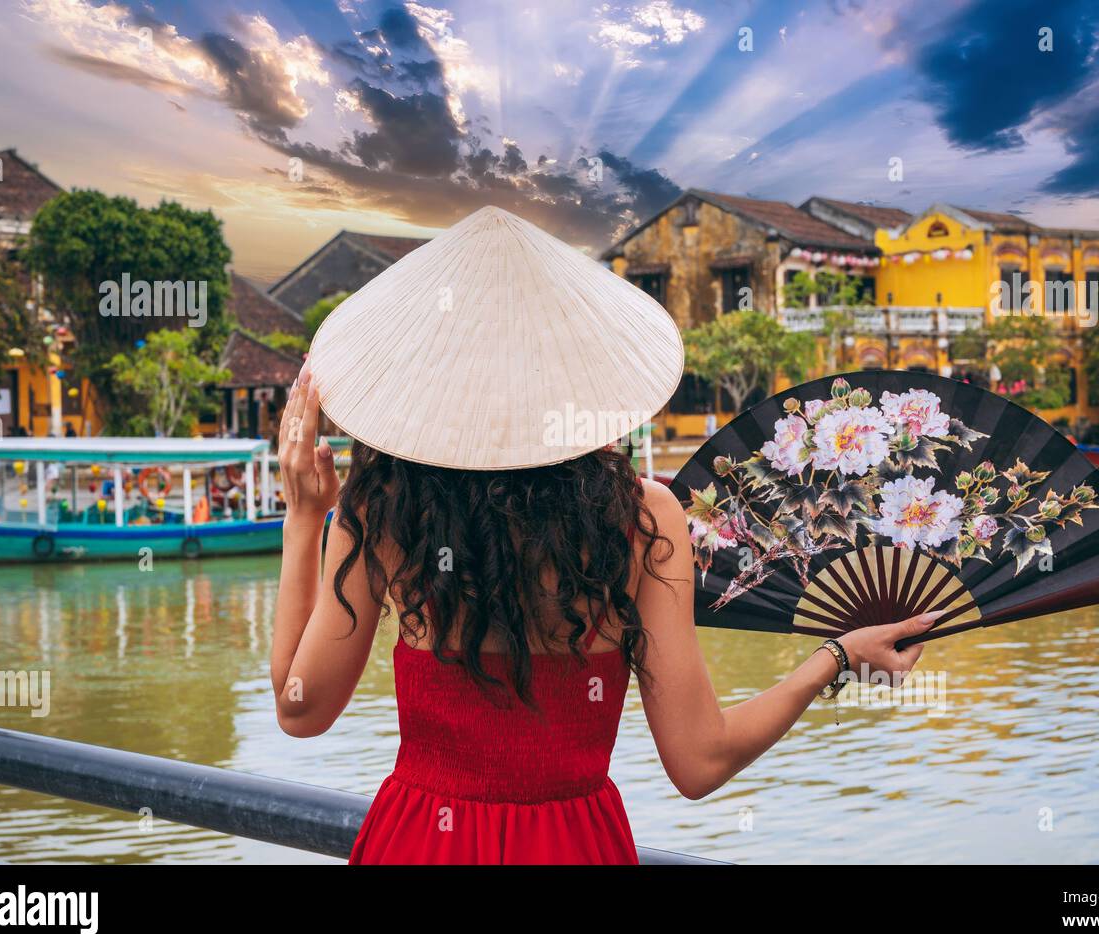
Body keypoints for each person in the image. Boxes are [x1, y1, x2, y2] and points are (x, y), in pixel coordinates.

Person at [271, 207, 931, 865]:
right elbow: (699, 760)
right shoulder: (642, 517)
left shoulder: (385, 510)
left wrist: (304, 517)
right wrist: (835, 657)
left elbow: (299, 709)